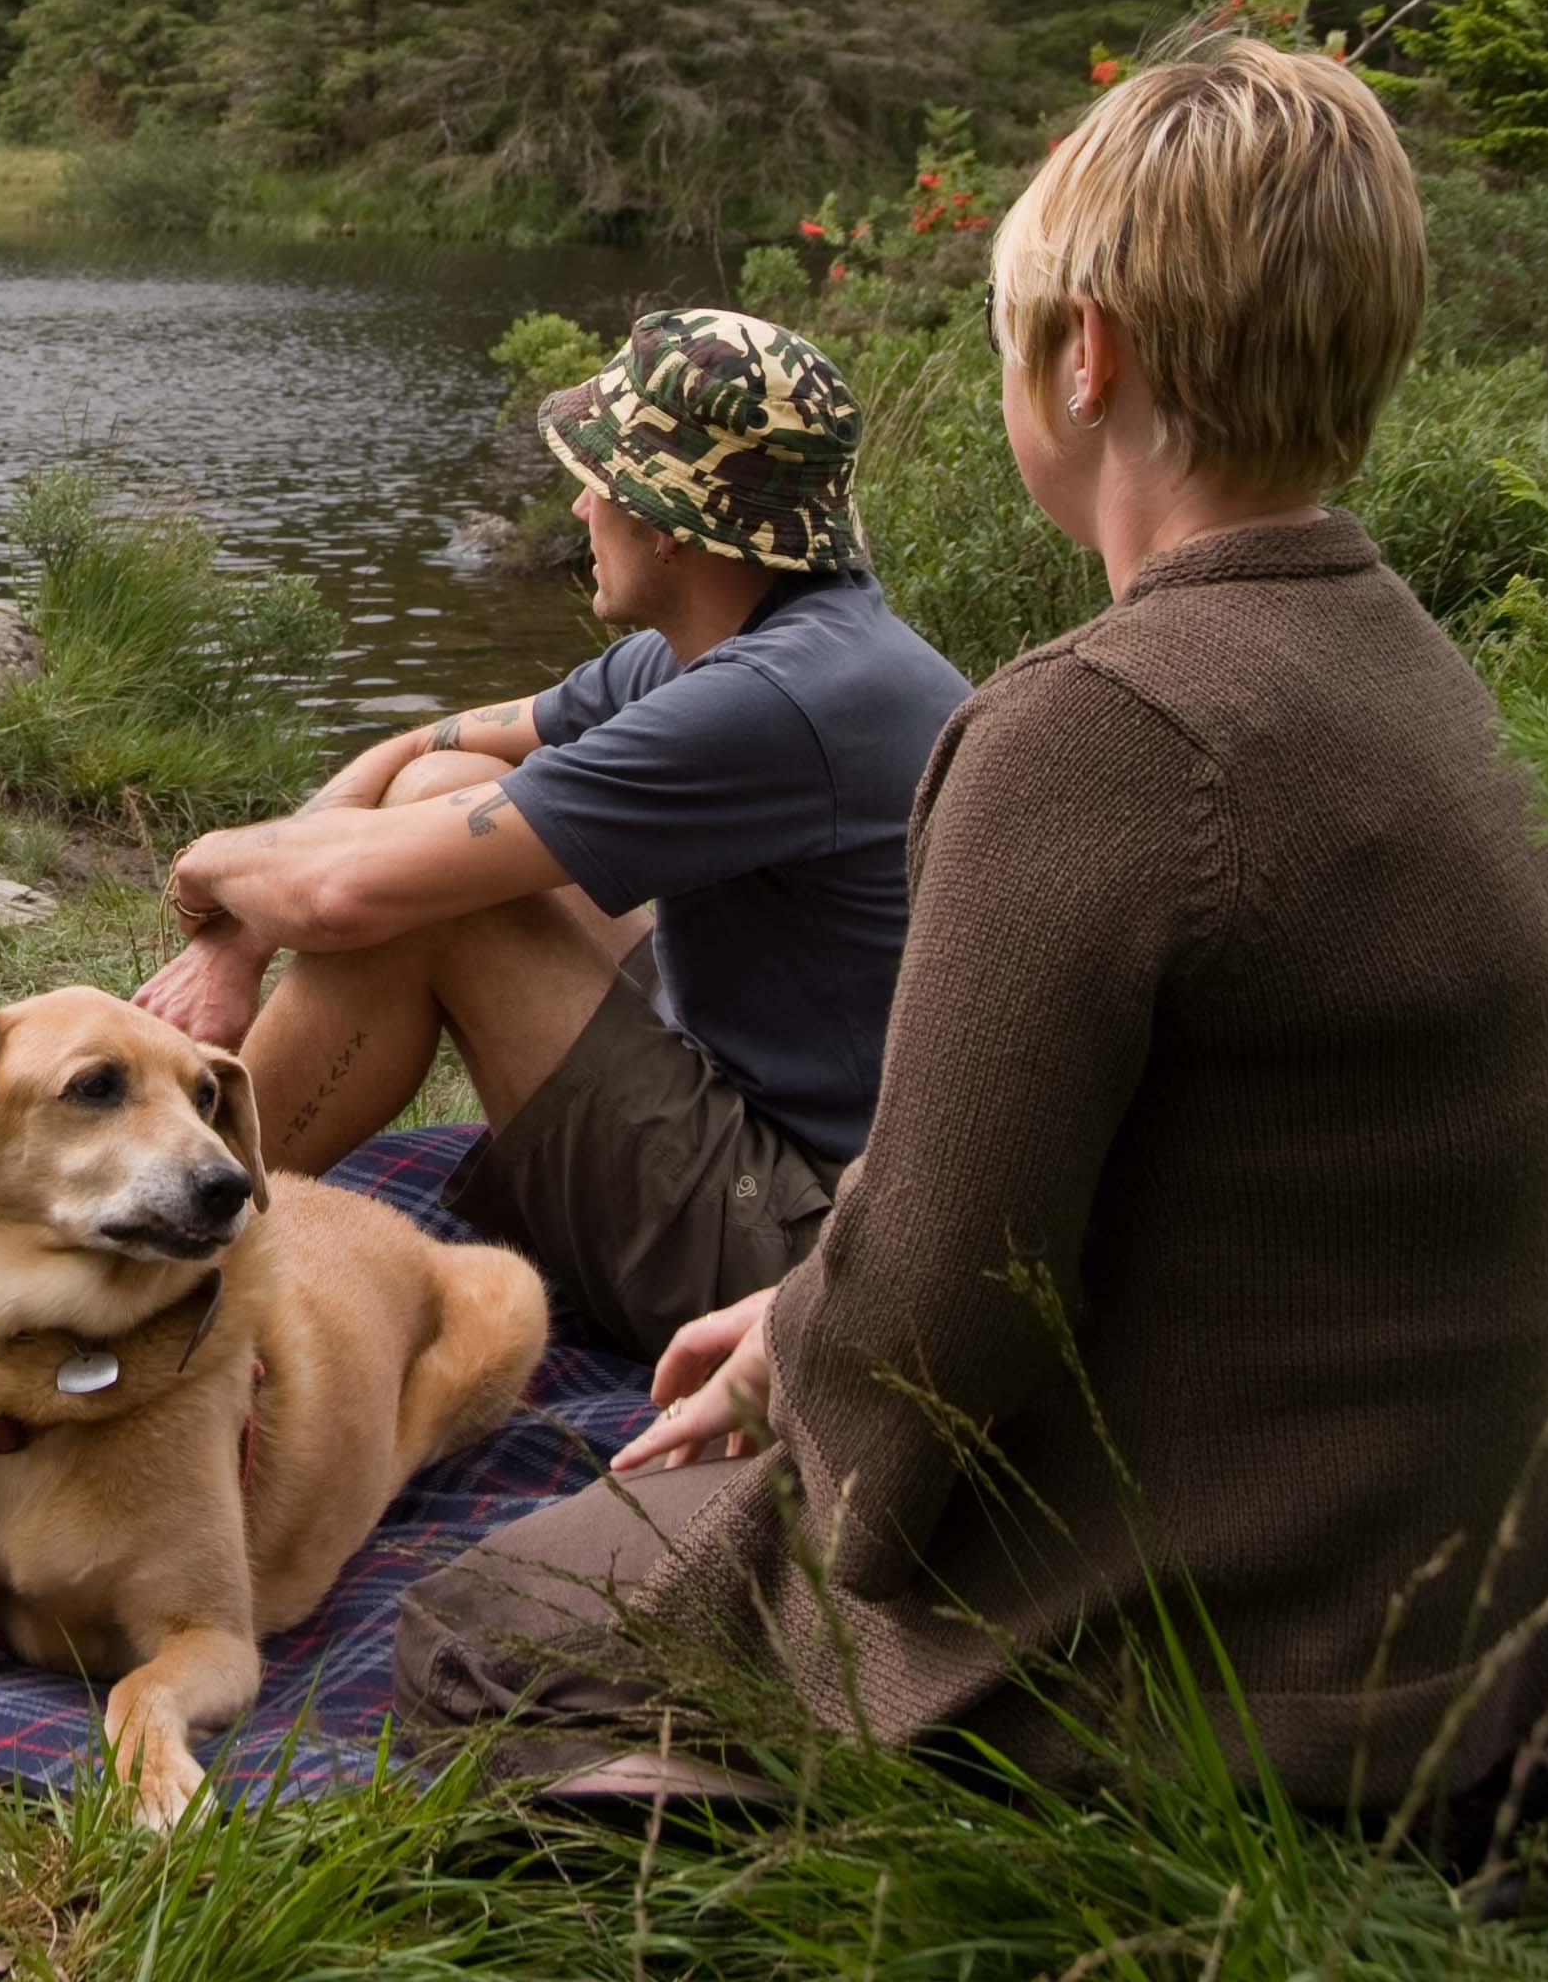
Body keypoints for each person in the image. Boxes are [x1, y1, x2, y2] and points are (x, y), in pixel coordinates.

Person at [388, 37, 1548, 1818]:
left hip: (1228, 1688)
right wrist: (791, 1319)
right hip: (1493, 1635)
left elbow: (924, 1328)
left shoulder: (1095, 734)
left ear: (1085, 353)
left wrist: (808, 1415)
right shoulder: (1411, 670)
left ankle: (858, 1829)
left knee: (477, 1626)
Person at [134, 311, 971, 1365]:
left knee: (437, 906)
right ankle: (177, 1217)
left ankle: (147, 1261)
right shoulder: (753, 640)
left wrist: (204, 867)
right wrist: (237, 940)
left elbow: (346, 894)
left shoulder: (774, 699)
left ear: (668, 521)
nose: (578, 506)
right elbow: (421, 745)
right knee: (447, 788)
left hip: (816, 1261)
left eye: (596, 480)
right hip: (792, 1149)